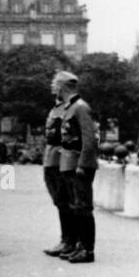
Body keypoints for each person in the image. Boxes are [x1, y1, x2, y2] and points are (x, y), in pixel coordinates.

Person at [57, 72, 99, 264]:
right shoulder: (71, 107)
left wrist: (82, 164)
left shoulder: (80, 107)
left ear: (62, 86)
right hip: (70, 162)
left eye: (56, 85)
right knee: (75, 206)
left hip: (79, 164)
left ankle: (87, 250)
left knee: (83, 207)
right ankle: (78, 246)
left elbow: (89, 139)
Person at [41, 76, 73, 257]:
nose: (52, 86)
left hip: (61, 161)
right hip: (51, 160)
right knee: (59, 202)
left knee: (65, 202)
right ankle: (66, 240)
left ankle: (68, 241)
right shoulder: (56, 108)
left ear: (62, 86)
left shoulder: (70, 108)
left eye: (55, 84)